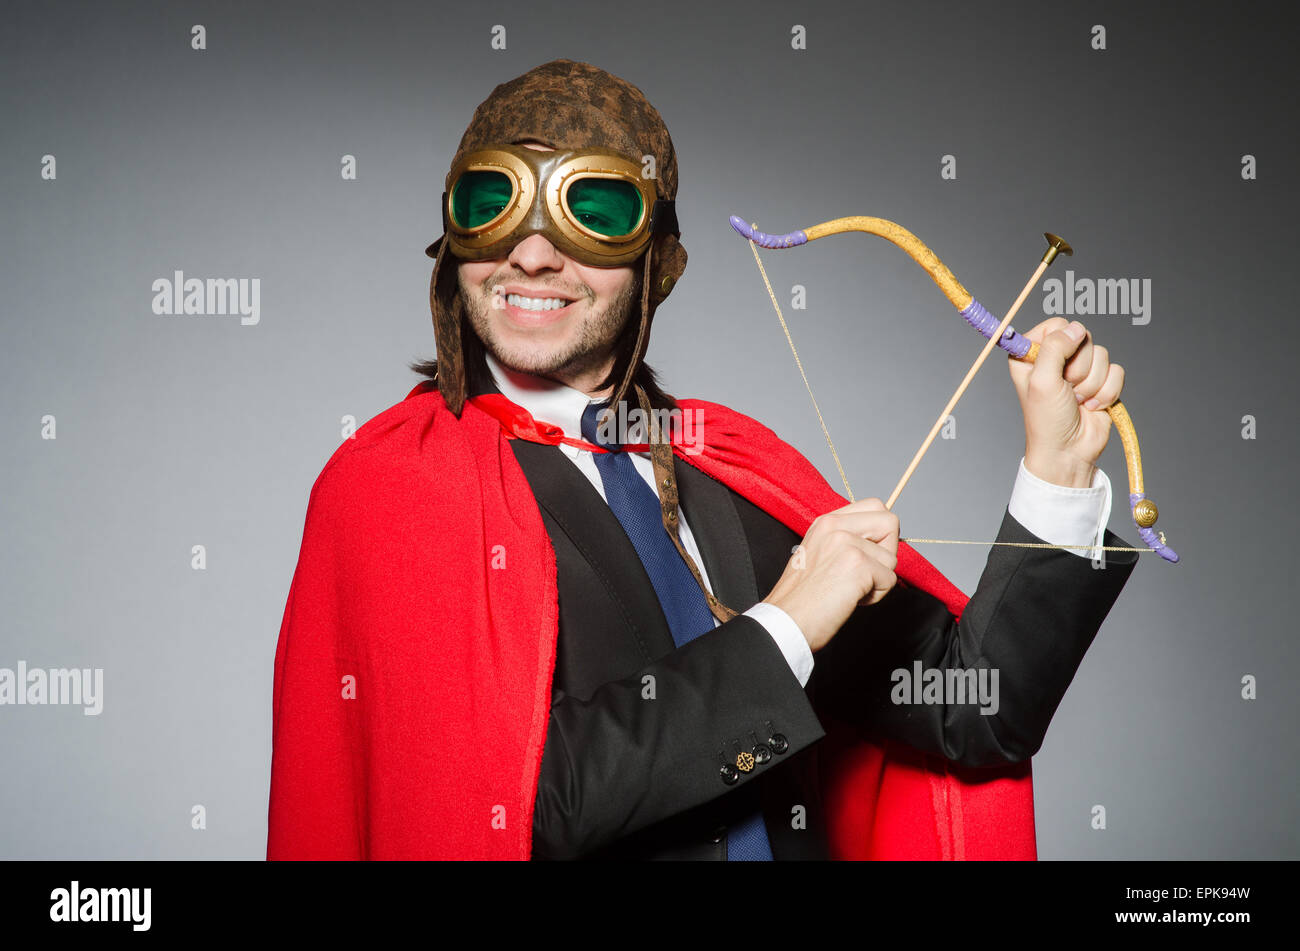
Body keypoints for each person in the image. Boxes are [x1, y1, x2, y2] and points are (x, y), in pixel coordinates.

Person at [267, 59, 1138, 861]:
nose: (531, 252)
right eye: (492, 200)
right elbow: (514, 811)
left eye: (593, 211)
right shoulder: (394, 486)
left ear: (658, 262)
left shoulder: (724, 465)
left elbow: (969, 716)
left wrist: (1055, 476)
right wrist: (788, 626)